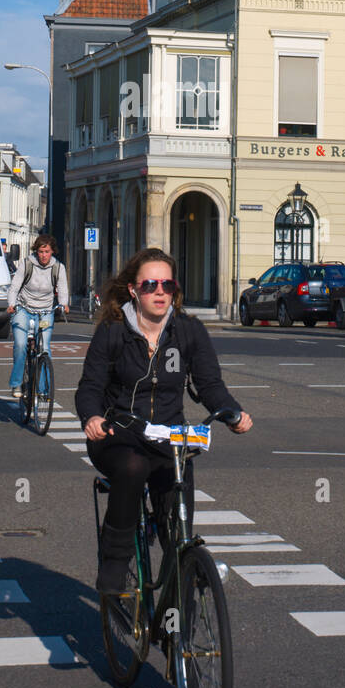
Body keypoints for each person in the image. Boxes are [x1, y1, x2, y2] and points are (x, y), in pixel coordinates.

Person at [76, 247, 252, 594]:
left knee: (178, 529)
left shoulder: (188, 331)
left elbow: (210, 384)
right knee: (132, 467)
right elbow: (90, 386)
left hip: (169, 436)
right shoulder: (113, 331)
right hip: (118, 433)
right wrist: (92, 417)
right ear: (133, 290)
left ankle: (178, 630)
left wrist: (233, 412)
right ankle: (115, 560)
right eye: (150, 285)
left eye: (167, 285)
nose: (159, 292)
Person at [6, 234, 69, 394]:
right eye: (41, 251)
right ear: (36, 251)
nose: (44, 255)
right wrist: (12, 304)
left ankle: (43, 390)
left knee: (45, 348)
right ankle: (17, 383)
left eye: (47, 251)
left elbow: (62, 288)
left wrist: (64, 304)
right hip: (24, 308)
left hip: (45, 312)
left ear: (52, 251)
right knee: (20, 345)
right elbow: (14, 287)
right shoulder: (27, 264)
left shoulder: (58, 268)